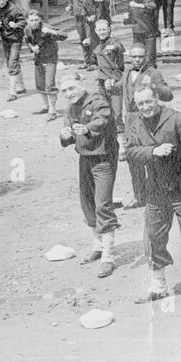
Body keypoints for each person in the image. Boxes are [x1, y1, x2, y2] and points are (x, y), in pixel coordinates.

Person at [124, 84, 181, 307]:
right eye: (140, 103)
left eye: (148, 101)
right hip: (156, 187)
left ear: (157, 99)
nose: (145, 107)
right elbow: (130, 151)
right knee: (153, 236)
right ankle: (158, 286)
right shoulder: (134, 122)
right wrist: (152, 151)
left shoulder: (175, 118)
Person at [58, 75, 120, 279]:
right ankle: (98, 244)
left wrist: (86, 128)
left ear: (82, 85)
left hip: (103, 159)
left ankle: (109, 256)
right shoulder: (71, 107)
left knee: (102, 204)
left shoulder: (97, 101)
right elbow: (67, 135)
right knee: (87, 202)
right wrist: (65, 135)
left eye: (72, 88)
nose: (69, 93)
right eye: (64, 90)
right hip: (85, 158)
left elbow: (102, 120)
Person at [119, 44, 173, 210]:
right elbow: (120, 87)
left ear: (146, 57)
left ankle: (159, 194)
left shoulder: (153, 73)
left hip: (147, 121)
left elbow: (168, 95)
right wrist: (110, 86)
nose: (137, 60)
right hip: (130, 122)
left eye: (140, 57)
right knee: (133, 159)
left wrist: (155, 86)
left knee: (152, 157)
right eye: (134, 57)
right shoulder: (127, 71)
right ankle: (139, 196)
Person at [23, 11, 65, 119]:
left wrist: (51, 31)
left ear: (40, 19)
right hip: (39, 57)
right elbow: (27, 40)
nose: (34, 22)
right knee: (40, 83)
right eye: (31, 20)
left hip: (50, 57)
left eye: (36, 20)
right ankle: (45, 105)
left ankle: (52, 110)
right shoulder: (27, 29)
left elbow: (64, 35)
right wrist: (32, 48)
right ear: (27, 20)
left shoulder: (46, 27)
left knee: (49, 83)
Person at [87, 17, 126, 132]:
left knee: (116, 108)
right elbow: (93, 61)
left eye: (104, 29)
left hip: (115, 79)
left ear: (109, 30)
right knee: (104, 105)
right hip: (101, 80)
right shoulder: (96, 46)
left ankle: (119, 127)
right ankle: (107, 126)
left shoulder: (115, 42)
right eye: (99, 30)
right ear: (95, 31)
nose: (102, 32)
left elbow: (120, 54)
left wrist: (114, 48)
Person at [0, 0, 28, 98]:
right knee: (10, 63)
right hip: (5, 38)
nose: (1, 2)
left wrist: (16, 25)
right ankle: (21, 86)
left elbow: (24, 22)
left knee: (12, 63)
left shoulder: (14, 9)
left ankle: (12, 92)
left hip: (16, 38)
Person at [124, 0, 160, 68]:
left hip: (149, 32)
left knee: (150, 56)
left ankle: (152, 73)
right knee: (138, 54)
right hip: (137, 33)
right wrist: (126, 18)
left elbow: (153, 6)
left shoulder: (148, 0)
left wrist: (139, 5)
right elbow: (129, 21)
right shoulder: (130, 4)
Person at [66, 0, 97, 68]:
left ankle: (94, 62)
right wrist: (69, 7)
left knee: (90, 39)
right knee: (82, 40)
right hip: (78, 18)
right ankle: (87, 62)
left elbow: (94, 3)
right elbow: (70, 2)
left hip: (87, 18)